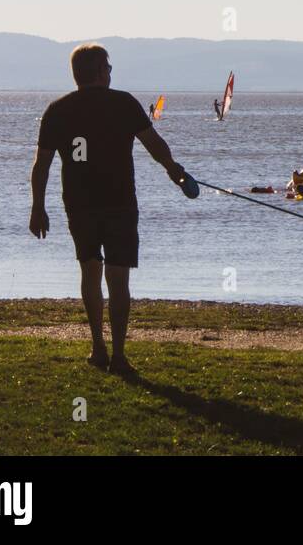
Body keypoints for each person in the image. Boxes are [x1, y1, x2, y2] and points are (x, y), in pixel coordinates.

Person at [30, 43, 185, 375]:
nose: (111, 72)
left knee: (89, 271)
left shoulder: (56, 110)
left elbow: (41, 165)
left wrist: (38, 207)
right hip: (120, 202)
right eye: (109, 67)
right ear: (100, 71)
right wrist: (174, 170)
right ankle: (117, 353)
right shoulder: (124, 104)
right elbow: (154, 144)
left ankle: (97, 347)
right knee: (118, 277)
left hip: (79, 204)